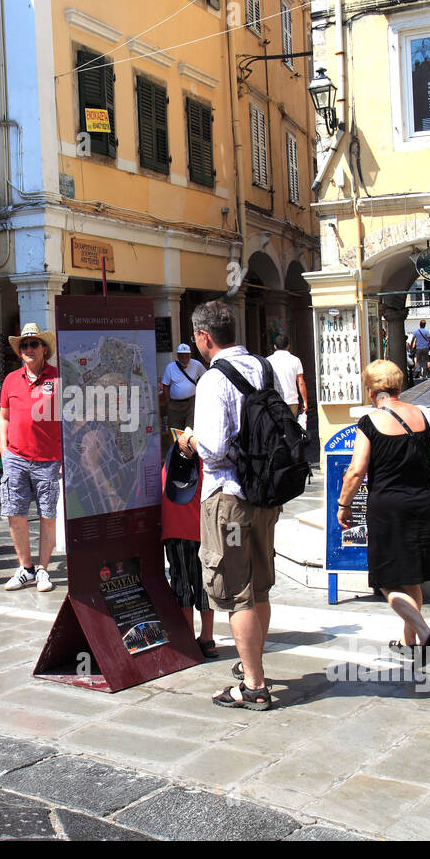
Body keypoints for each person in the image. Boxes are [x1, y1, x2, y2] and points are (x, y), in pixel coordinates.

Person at [175, 301, 278, 710]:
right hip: (265, 495)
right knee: (260, 584)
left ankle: (253, 684)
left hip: (229, 499)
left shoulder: (213, 381)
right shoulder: (263, 367)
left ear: (203, 337)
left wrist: (188, 441)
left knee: (235, 590)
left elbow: (215, 450)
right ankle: (253, 662)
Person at [337, 360, 430, 659]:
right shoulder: (423, 414)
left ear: (372, 391)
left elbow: (356, 471)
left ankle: (425, 633)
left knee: (386, 581)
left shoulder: (369, 422)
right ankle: (412, 645)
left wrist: (343, 504)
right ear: (398, 386)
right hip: (423, 506)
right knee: (412, 578)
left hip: (388, 510)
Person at [0, 322, 62, 593]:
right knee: (15, 513)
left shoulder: (58, 378)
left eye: (34, 344)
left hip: (48, 459)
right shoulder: (11, 379)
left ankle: (43, 569)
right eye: (24, 345)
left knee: (47, 515)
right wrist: (3, 447)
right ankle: (25, 568)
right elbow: (3, 416)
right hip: (15, 456)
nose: (28, 349)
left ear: (44, 349)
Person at [161, 443, 216, 659]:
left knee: (182, 586)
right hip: (203, 534)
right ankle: (207, 639)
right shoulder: (204, 466)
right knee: (205, 586)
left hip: (175, 534)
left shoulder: (166, 467)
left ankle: (188, 637)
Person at [160, 343, 205, 433]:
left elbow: (206, 377)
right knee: (175, 431)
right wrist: (169, 403)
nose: (184, 358)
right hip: (175, 405)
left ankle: (189, 447)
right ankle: (176, 447)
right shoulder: (170, 367)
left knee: (190, 430)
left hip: (191, 403)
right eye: (182, 356)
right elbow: (166, 386)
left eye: (186, 356)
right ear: (178, 356)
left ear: (190, 355)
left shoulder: (197, 365)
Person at [266, 334, 308, 419]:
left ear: (275, 346)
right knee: (291, 429)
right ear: (288, 346)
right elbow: (301, 383)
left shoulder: (268, 361)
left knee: (277, 429)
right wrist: (305, 401)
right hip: (292, 401)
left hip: (275, 401)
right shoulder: (295, 360)